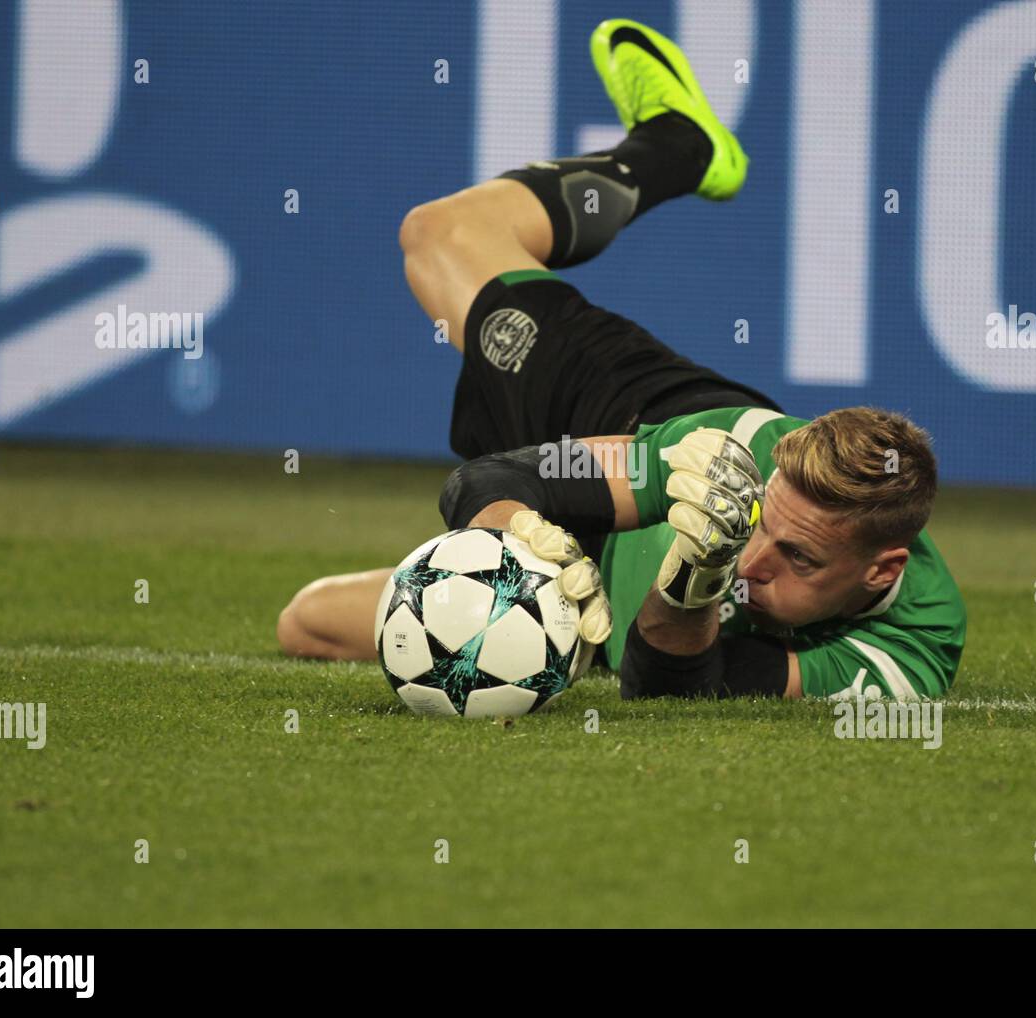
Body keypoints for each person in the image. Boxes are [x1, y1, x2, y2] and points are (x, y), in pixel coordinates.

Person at [277, 18, 966, 701]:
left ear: (882, 571)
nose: (754, 564)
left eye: (800, 557)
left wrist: (692, 583)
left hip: (598, 612)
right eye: (759, 524)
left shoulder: (909, 656)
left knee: (306, 624)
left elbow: (676, 686)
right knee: (440, 233)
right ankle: (680, 145)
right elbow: (488, 480)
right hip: (614, 410)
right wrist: (519, 529)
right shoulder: (733, 455)